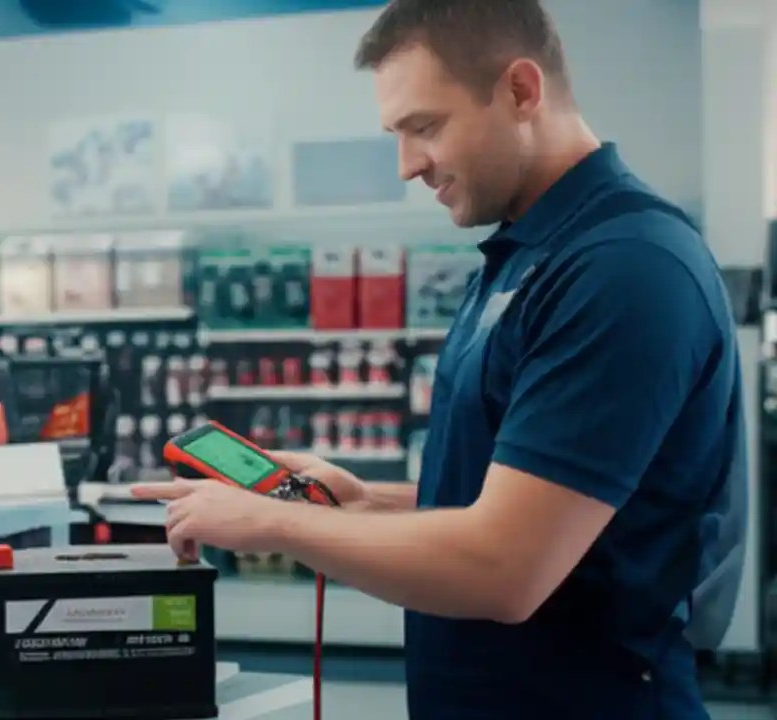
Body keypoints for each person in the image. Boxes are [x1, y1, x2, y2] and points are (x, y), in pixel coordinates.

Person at [135, 1, 747, 718]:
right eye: (396, 134)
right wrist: (366, 502)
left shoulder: (623, 268)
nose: (407, 165)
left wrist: (272, 524)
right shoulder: (527, 255)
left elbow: (505, 567)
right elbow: (519, 494)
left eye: (424, 126)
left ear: (521, 91)